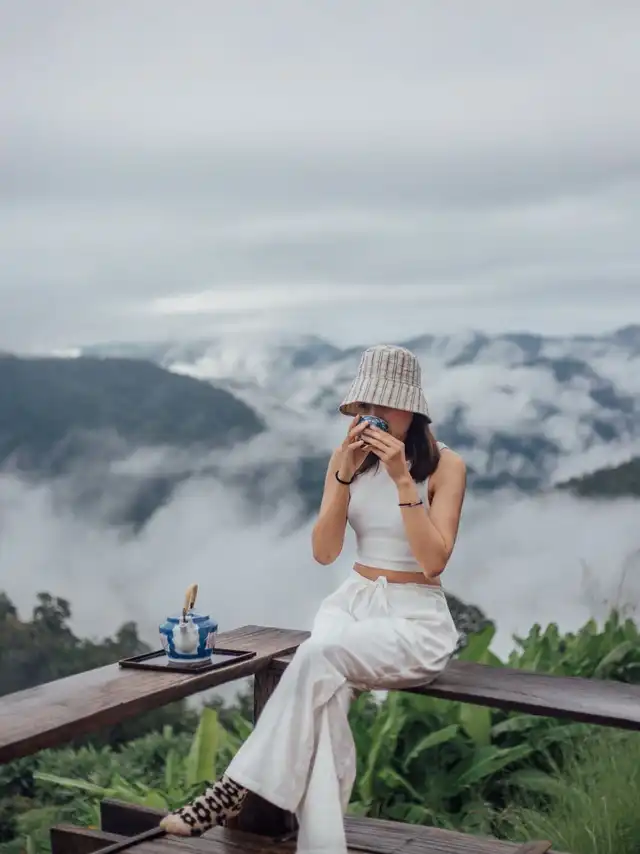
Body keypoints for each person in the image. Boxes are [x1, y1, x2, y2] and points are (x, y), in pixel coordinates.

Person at [160, 343, 467, 853]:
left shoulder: (446, 466)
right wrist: (344, 473)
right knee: (323, 705)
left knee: (316, 655)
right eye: (367, 405)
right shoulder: (349, 460)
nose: (375, 415)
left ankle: (233, 787)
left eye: (386, 405)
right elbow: (325, 552)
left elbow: (434, 561)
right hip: (350, 605)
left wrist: (401, 480)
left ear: (412, 409)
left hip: (414, 619)